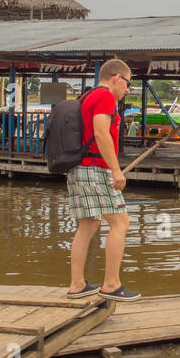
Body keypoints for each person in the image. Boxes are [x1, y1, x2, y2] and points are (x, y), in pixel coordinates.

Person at [66, 59, 139, 302]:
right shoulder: (106, 96)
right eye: (127, 83)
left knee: (87, 225)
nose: (127, 89)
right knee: (120, 223)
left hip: (78, 167)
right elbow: (100, 133)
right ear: (116, 77)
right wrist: (116, 169)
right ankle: (111, 283)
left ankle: (77, 284)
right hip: (96, 167)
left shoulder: (87, 96)